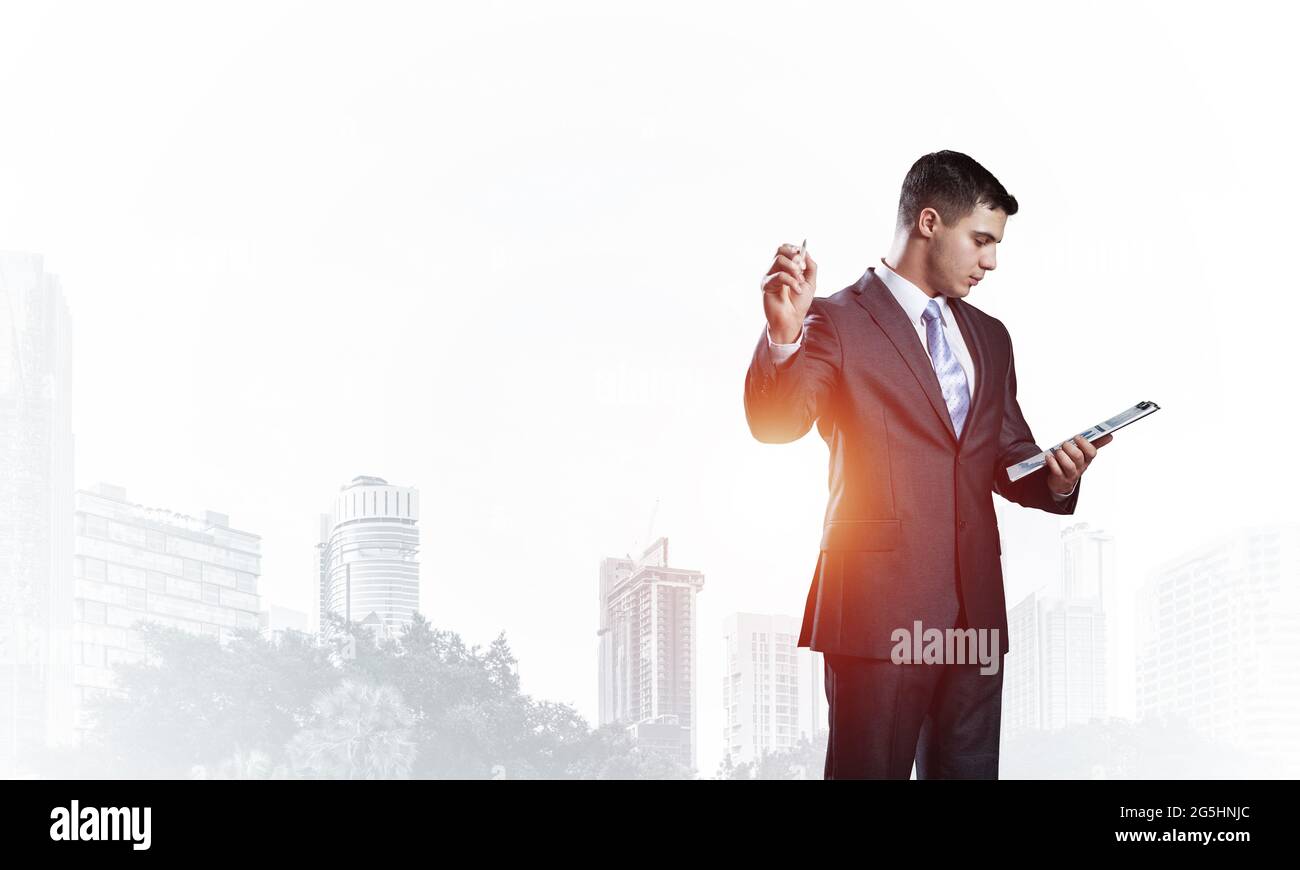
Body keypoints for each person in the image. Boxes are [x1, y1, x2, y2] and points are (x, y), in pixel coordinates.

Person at [743, 150, 1112, 779]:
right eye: (981, 240)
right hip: (877, 613)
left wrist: (1055, 474)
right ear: (929, 222)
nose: (991, 261)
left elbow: (1005, 453)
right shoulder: (833, 319)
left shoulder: (990, 337)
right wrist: (783, 337)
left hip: (974, 618)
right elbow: (777, 424)